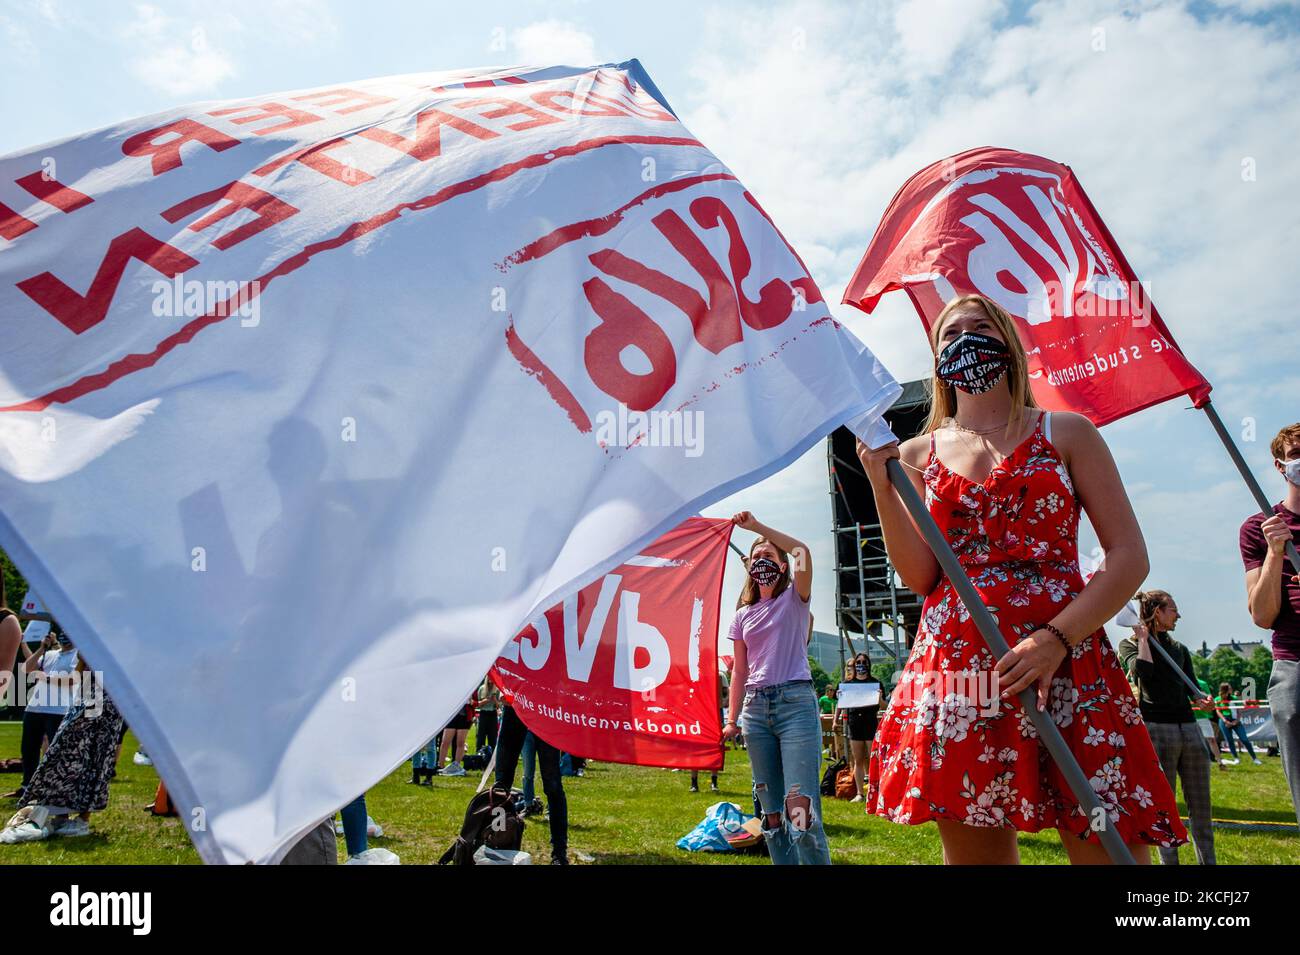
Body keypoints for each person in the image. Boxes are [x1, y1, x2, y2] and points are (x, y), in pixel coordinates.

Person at [858, 293, 1185, 864]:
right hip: (960, 671)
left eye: (980, 326)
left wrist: (1055, 639)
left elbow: (1128, 556)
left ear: (1008, 343)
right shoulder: (915, 453)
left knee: (1112, 848)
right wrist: (881, 485)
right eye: (950, 333)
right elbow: (920, 576)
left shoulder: (1067, 432)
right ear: (938, 360)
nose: (966, 338)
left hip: (1070, 659)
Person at [722, 511, 831, 865]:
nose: (762, 561)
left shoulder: (794, 599)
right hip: (755, 711)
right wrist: (731, 719)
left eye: (769, 556)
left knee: (800, 813)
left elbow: (801, 552)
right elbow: (739, 671)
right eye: (756, 557)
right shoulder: (742, 615)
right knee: (771, 816)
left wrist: (757, 530)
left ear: (783, 566)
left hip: (795, 705)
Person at [1117, 591, 1215, 865]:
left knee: (1201, 804)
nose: (1178, 615)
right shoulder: (1129, 645)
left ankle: (1208, 861)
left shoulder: (1180, 649)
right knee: (1164, 804)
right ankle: (1169, 862)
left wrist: (1203, 700)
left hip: (1189, 729)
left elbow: (1191, 686)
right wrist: (1144, 640)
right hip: (1157, 728)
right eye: (1173, 610)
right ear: (1157, 612)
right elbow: (1143, 673)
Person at [1239, 422, 1300, 824]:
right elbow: (1261, 615)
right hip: (1294, 663)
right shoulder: (1258, 529)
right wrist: (1276, 551)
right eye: (1297, 456)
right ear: (1281, 466)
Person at [0, 661, 124, 843]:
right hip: (89, 689)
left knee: (94, 752)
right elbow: (79, 672)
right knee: (68, 752)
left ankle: (82, 818)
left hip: (106, 691)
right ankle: (62, 813)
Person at [494, 701, 567, 863]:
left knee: (553, 785)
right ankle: (496, 843)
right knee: (501, 784)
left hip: (546, 710)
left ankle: (559, 852)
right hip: (515, 707)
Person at [19, 626, 79, 797]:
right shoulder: (51, 654)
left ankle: (55, 787)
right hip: (34, 708)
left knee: (56, 751)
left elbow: (73, 679)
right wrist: (41, 648)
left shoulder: (77, 656)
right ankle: (27, 786)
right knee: (29, 749)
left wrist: (47, 678)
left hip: (58, 710)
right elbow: (27, 668)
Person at [836, 653, 880, 804]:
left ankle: (877, 791)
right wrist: (836, 718)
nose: (861, 664)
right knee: (858, 759)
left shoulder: (876, 683)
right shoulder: (847, 684)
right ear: (854, 665)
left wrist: (880, 699)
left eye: (864, 662)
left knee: (874, 759)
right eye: (858, 662)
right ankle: (860, 793)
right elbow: (840, 704)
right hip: (854, 724)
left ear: (868, 664)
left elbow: (886, 705)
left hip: (871, 723)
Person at [1217, 682, 1261, 765]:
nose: (1231, 689)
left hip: (1235, 721)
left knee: (1244, 739)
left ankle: (1255, 758)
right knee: (1229, 740)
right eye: (1229, 688)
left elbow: (1239, 711)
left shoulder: (1234, 698)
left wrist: (1236, 721)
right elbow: (1218, 711)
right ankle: (1236, 758)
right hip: (1224, 721)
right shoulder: (1217, 699)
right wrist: (1225, 721)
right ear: (1225, 690)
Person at [437, 692, 474, 777]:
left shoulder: (471, 684)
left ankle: (456, 766)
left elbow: (475, 701)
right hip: (451, 715)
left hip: (465, 715)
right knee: (445, 742)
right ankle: (440, 765)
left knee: (460, 742)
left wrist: (472, 701)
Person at [476, 677, 500, 753]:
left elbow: (498, 706)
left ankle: (491, 757)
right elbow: (477, 705)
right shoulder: (482, 688)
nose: (491, 679)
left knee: (493, 738)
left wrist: (494, 699)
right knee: (481, 737)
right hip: (483, 714)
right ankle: (479, 756)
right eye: (489, 677)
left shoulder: (497, 690)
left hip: (493, 714)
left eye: (492, 677)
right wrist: (486, 701)